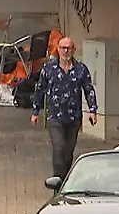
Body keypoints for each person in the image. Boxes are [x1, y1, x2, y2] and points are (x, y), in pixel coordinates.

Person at [31, 36, 98, 180]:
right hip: (55, 116)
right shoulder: (49, 69)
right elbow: (40, 89)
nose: (65, 51)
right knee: (58, 148)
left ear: (74, 50)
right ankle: (57, 182)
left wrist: (92, 110)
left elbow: (88, 89)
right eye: (63, 48)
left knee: (68, 153)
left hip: (74, 117)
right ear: (58, 50)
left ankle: (66, 181)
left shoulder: (81, 69)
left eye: (69, 48)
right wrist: (35, 112)